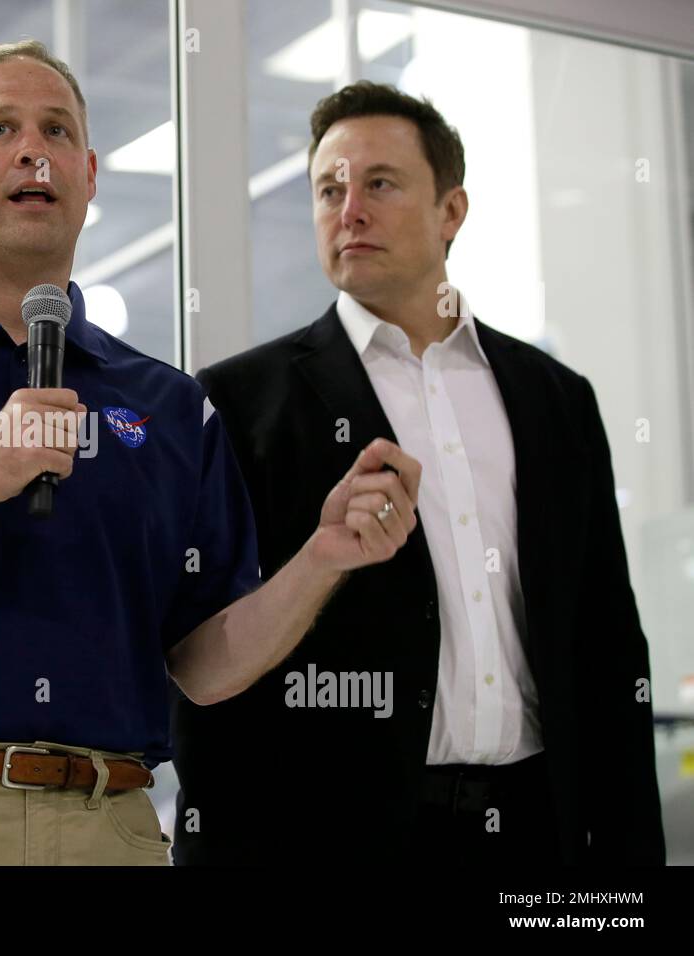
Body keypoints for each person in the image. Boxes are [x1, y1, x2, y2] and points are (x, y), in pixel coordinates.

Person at [0, 44, 420, 866]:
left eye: (57, 131)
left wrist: (323, 558)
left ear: (88, 175)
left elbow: (203, 667)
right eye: (0, 129)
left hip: (109, 826)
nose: (33, 150)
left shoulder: (169, 407)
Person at [172, 81, 665, 865]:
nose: (349, 210)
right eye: (329, 189)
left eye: (380, 184)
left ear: (452, 212)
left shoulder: (556, 398)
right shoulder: (234, 404)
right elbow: (198, 658)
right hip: (337, 845)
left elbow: (606, 643)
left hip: (542, 831)